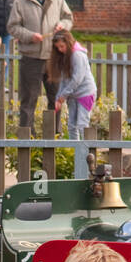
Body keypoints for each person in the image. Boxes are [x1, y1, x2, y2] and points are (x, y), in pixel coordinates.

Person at [8, 0, 73, 133]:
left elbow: (68, 18)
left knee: (56, 98)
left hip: (53, 57)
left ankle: (53, 135)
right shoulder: (20, 1)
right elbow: (13, 27)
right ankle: (27, 137)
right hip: (31, 58)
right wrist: (30, 36)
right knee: (28, 100)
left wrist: (62, 24)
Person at [49, 29, 97, 179]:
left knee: (82, 124)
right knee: (71, 125)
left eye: (62, 47)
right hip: (72, 95)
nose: (60, 50)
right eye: (58, 48)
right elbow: (64, 80)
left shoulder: (77, 55)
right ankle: (74, 153)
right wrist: (58, 97)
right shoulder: (65, 57)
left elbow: (77, 78)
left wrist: (63, 96)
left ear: (68, 43)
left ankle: (86, 156)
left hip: (85, 93)